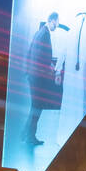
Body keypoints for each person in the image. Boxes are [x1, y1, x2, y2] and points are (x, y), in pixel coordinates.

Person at [23, 11, 64, 145]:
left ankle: (25, 134)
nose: (57, 26)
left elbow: (30, 53)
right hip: (38, 76)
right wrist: (50, 67)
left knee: (34, 106)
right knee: (37, 107)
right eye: (57, 23)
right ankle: (30, 137)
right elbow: (43, 55)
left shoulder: (38, 33)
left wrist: (27, 72)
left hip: (32, 75)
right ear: (52, 20)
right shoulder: (45, 34)